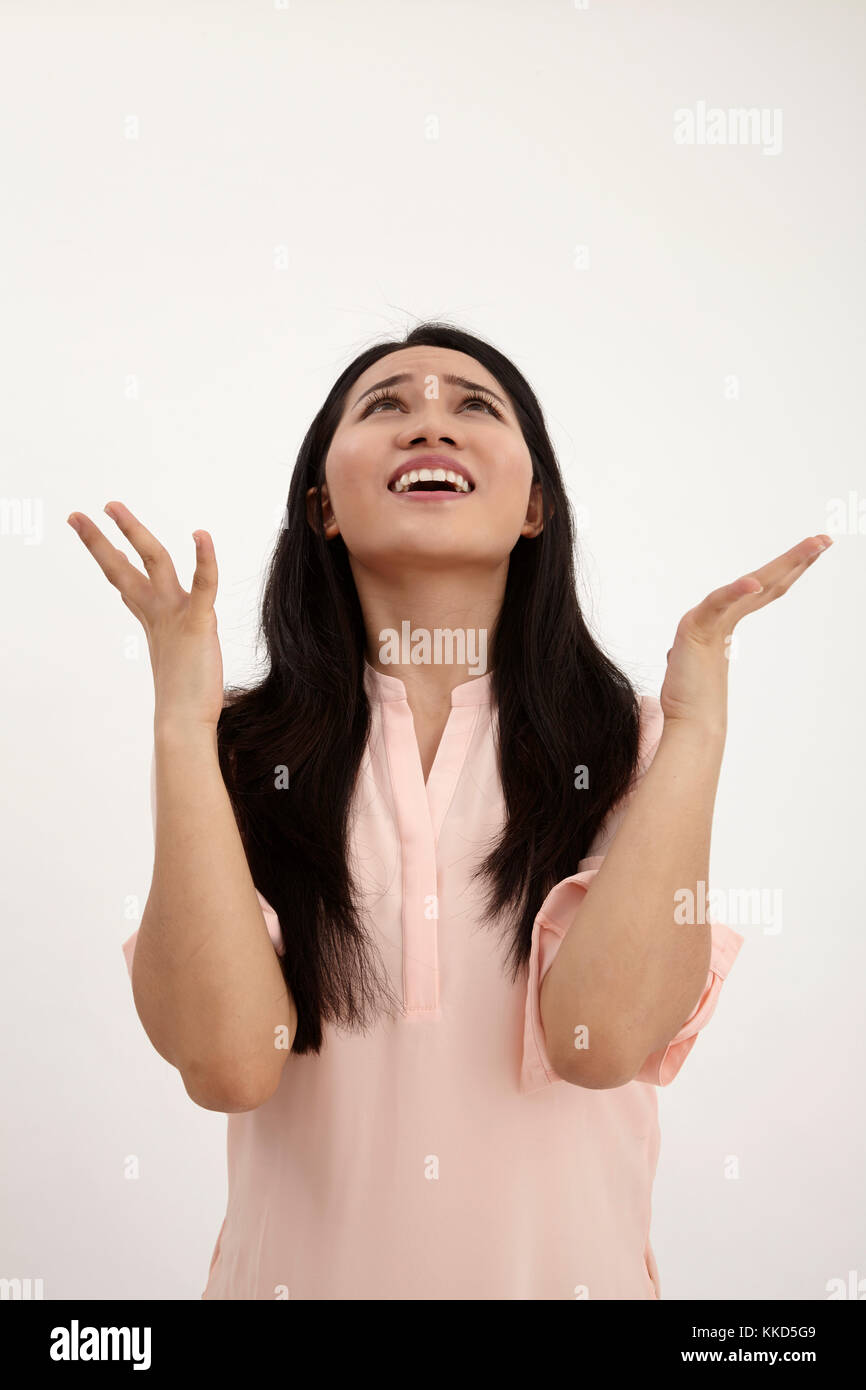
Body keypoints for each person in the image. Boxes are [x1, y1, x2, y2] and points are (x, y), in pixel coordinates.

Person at [68, 322, 831, 1300]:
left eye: (474, 405)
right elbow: (226, 1067)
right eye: (385, 404)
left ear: (534, 509)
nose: (430, 421)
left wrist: (692, 728)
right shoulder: (238, 754)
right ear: (321, 508)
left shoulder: (627, 745)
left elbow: (603, 1042)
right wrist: (182, 723)